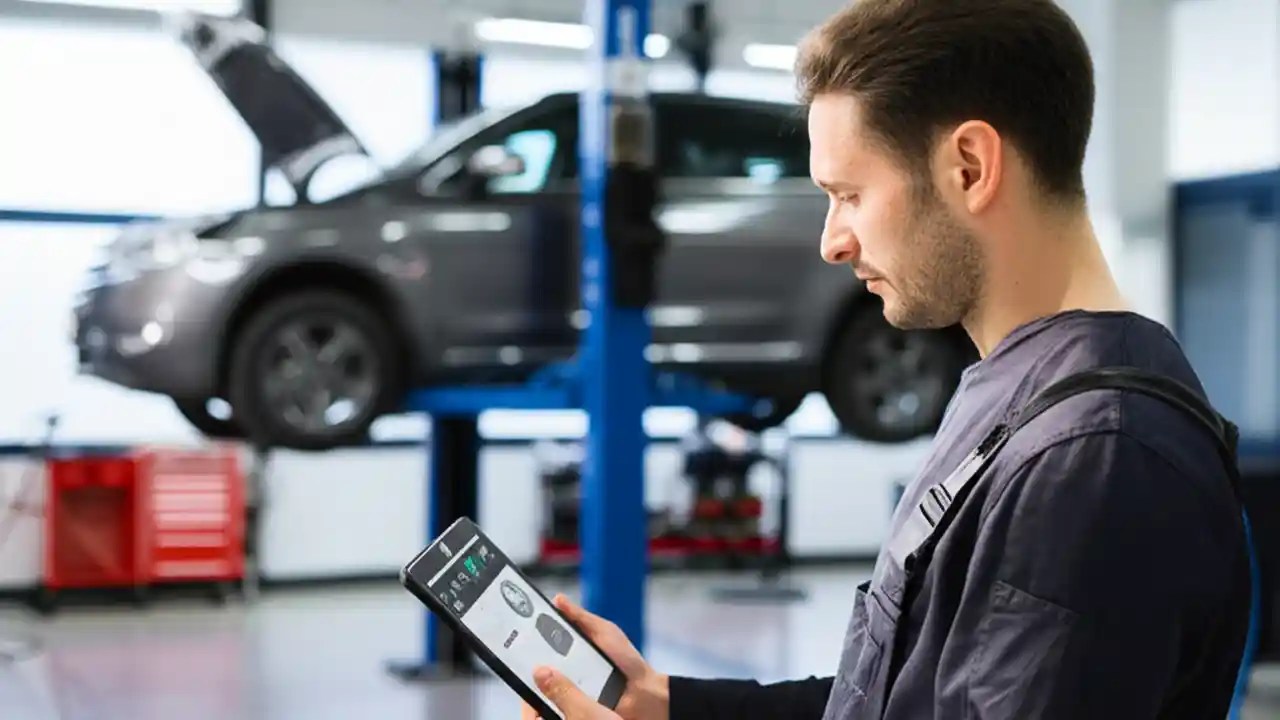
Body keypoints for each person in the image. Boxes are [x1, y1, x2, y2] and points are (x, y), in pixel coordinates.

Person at [522, 0, 1253, 717]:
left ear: (969, 167)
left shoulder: (1097, 459)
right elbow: (901, 695)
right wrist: (674, 706)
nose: (832, 241)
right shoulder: (1025, 394)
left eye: (850, 194)